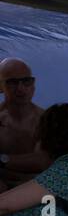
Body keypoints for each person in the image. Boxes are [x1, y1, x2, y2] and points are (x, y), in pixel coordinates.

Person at [0, 57, 47, 186]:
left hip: (36, 189)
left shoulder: (46, 119)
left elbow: (42, 161)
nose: (21, 89)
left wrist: (3, 160)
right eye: (12, 82)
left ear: (33, 85)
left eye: (26, 81)